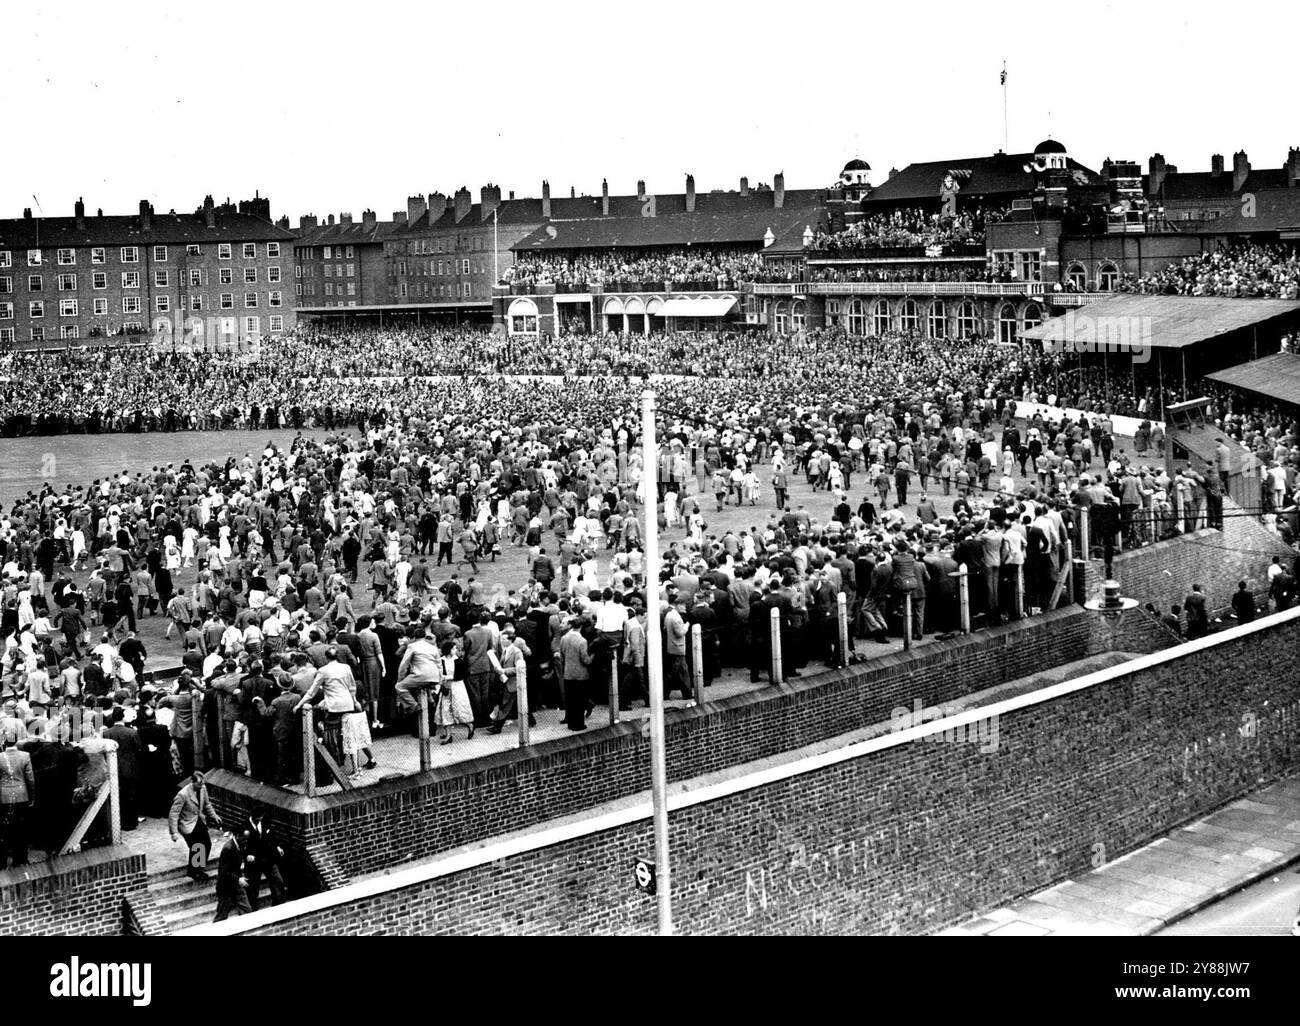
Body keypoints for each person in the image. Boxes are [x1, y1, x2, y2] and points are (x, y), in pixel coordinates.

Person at [169, 770, 223, 882]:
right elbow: (173, 814)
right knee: (196, 846)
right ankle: (193, 872)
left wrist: (214, 816)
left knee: (206, 844)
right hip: (186, 823)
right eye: (199, 784)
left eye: (202, 783)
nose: (201, 786)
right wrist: (174, 832)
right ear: (192, 782)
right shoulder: (182, 794)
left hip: (198, 820)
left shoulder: (202, 789)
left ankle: (199, 869)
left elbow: (207, 804)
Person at [0, 727, 36, 868]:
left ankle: (2, 860)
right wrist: (32, 796)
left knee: (4, 830)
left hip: (3, 797)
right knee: (21, 829)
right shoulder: (25, 756)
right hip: (22, 796)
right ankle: (20, 859)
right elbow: (30, 779)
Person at [244, 811, 287, 910]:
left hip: (268, 858)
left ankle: (279, 905)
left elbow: (271, 834)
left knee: (277, 880)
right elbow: (241, 843)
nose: (260, 820)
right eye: (258, 818)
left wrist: (277, 846)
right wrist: (247, 855)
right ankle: (252, 909)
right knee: (253, 887)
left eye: (261, 818)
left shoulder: (265, 821)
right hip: (254, 862)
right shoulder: (245, 826)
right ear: (254, 817)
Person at [213, 827, 252, 922]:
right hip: (226, 887)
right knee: (222, 916)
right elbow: (223, 871)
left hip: (236, 885)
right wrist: (238, 879)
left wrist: (247, 857)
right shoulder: (228, 848)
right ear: (238, 836)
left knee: (247, 911)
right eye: (245, 838)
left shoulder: (240, 844)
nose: (246, 841)